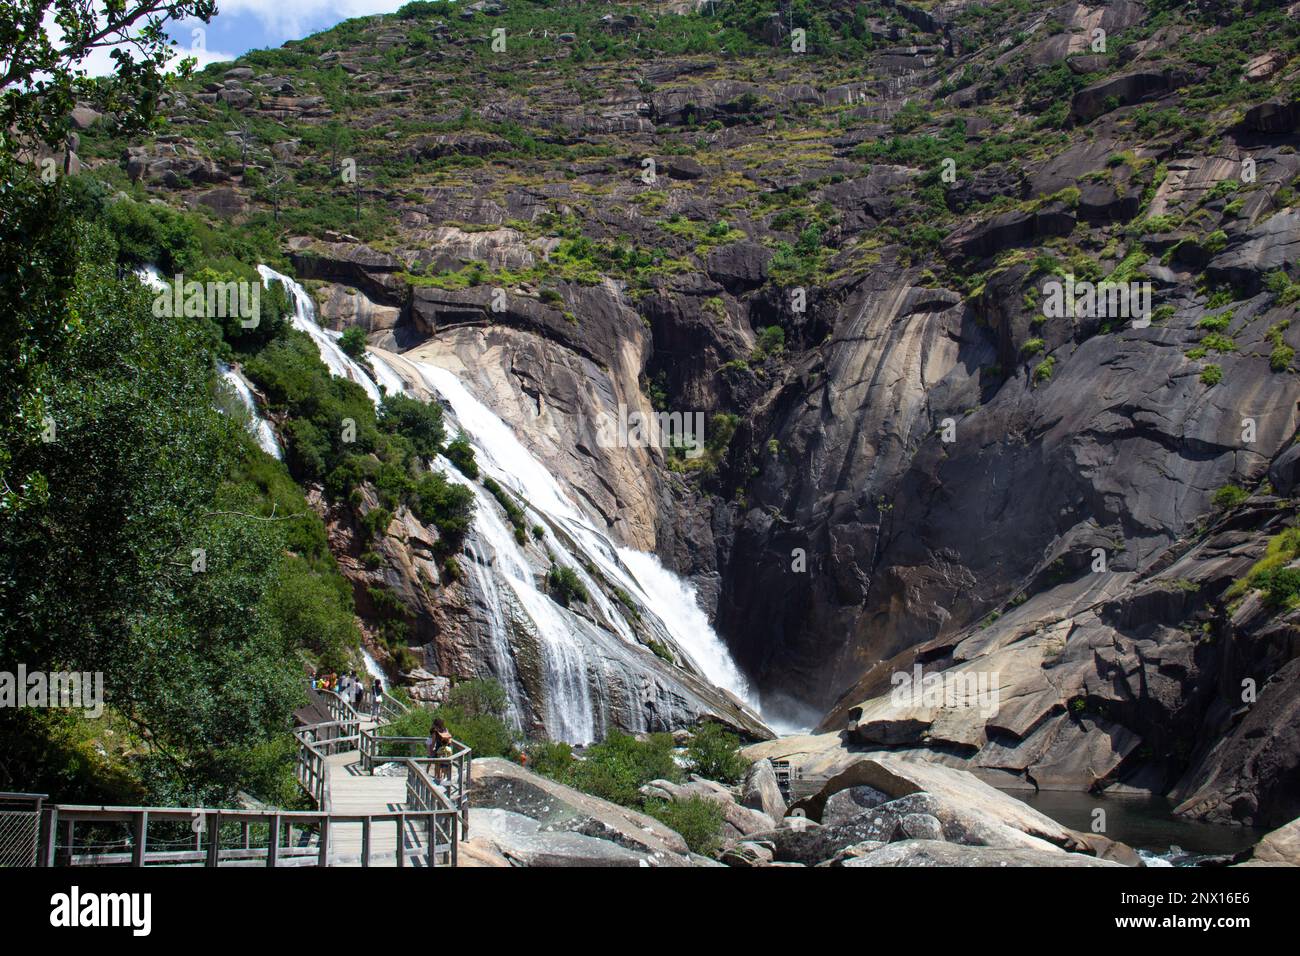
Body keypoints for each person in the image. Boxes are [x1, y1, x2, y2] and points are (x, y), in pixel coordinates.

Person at [431, 717, 453, 784]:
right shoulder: (446, 730)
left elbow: (433, 742)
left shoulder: (435, 732)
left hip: (439, 749)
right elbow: (449, 739)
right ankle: (445, 778)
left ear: (436, 724)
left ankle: (438, 778)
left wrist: (432, 749)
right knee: (446, 764)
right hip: (447, 749)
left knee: (438, 764)